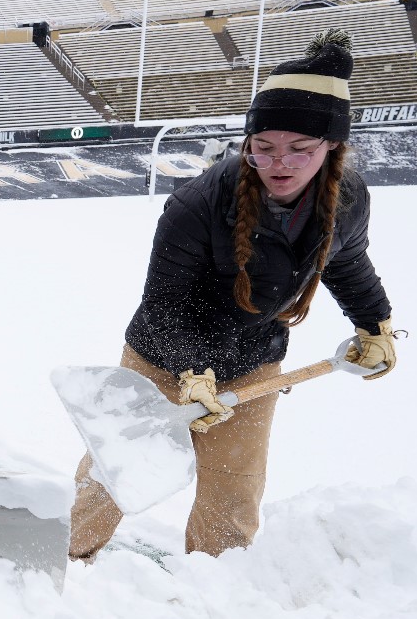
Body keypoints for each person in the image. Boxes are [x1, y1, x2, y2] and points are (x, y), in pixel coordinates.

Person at [67, 29, 399, 562]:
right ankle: (67, 560)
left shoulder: (349, 198)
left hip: (252, 360)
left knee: (235, 489)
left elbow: (346, 260)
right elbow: (164, 304)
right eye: (263, 148)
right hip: (162, 358)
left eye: (300, 149)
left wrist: (374, 323)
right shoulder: (196, 204)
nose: (279, 164)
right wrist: (190, 371)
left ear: (332, 146)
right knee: (115, 471)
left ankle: (215, 588)